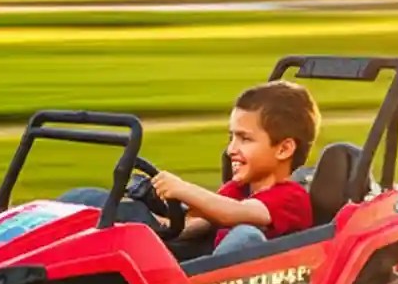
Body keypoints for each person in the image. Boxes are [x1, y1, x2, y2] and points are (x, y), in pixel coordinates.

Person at [59, 79, 319, 257]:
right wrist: (155, 222)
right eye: (232, 137)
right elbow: (201, 222)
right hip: (199, 262)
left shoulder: (291, 198)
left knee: (246, 235)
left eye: (245, 139)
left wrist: (182, 189)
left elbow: (233, 214)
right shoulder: (238, 188)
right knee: (90, 199)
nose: (231, 149)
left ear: (284, 149)